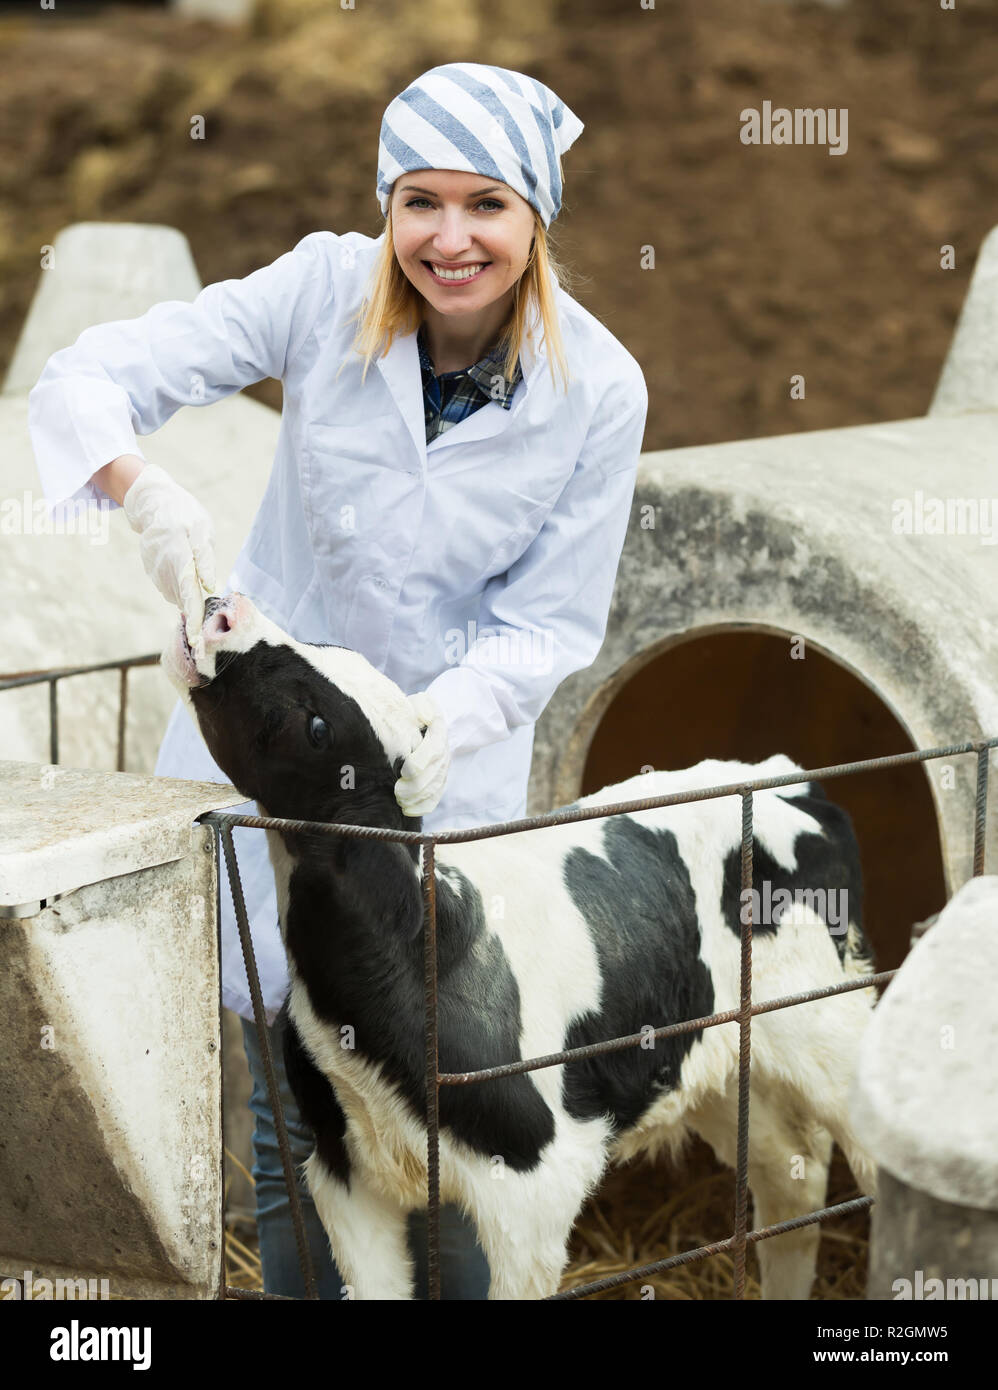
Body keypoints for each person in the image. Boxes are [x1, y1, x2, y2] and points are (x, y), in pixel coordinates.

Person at [28, 61, 649, 1300]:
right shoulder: (319, 290)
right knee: (300, 1109)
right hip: (272, 760)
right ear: (385, 205)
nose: (449, 237)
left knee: (454, 1107)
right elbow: (84, 377)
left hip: (445, 786)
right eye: (419, 201)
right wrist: (143, 495)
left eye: (487, 204)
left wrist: (430, 726)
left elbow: (544, 629)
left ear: (538, 215)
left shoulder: (597, 387)